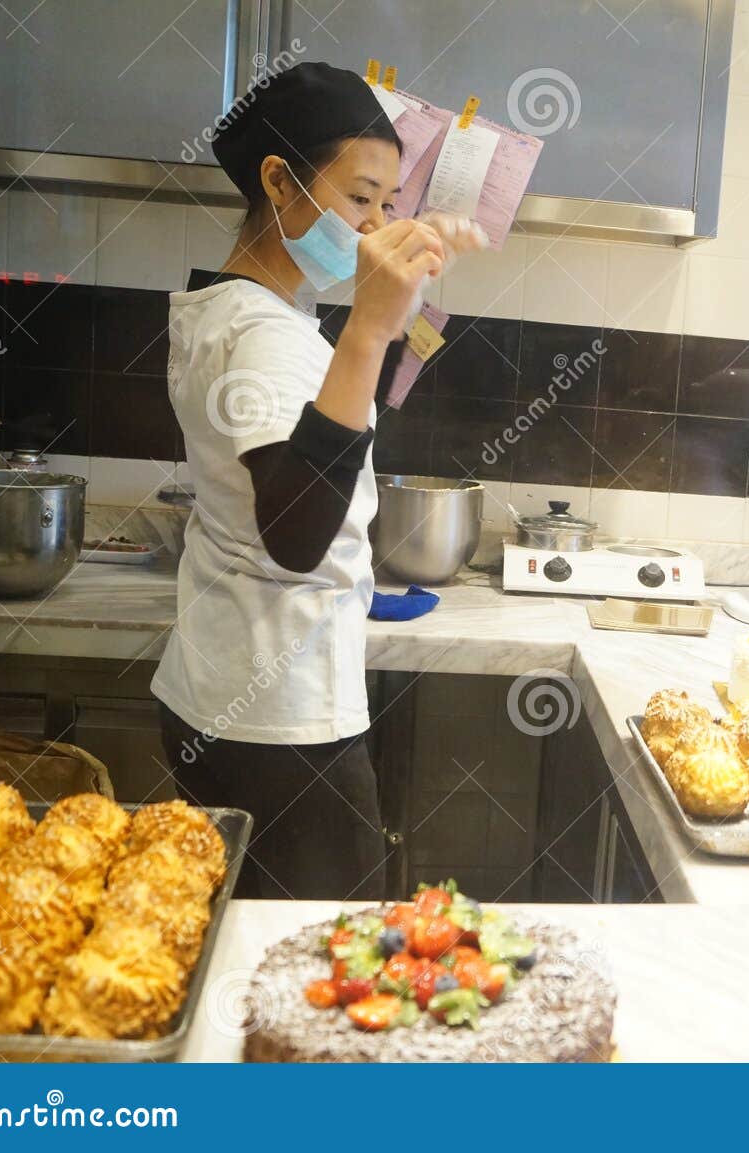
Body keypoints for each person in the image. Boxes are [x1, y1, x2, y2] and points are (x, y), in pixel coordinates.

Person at [150, 62, 477, 899]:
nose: (374, 226)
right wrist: (369, 328)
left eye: (389, 205)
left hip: (218, 689)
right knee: (317, 963)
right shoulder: (266, 332)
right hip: (277, 718)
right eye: (360, 197)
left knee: (251, 951)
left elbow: (301, 475)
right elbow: (296, 536)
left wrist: (384, 321)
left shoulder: (232, 307)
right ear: (277, 180)